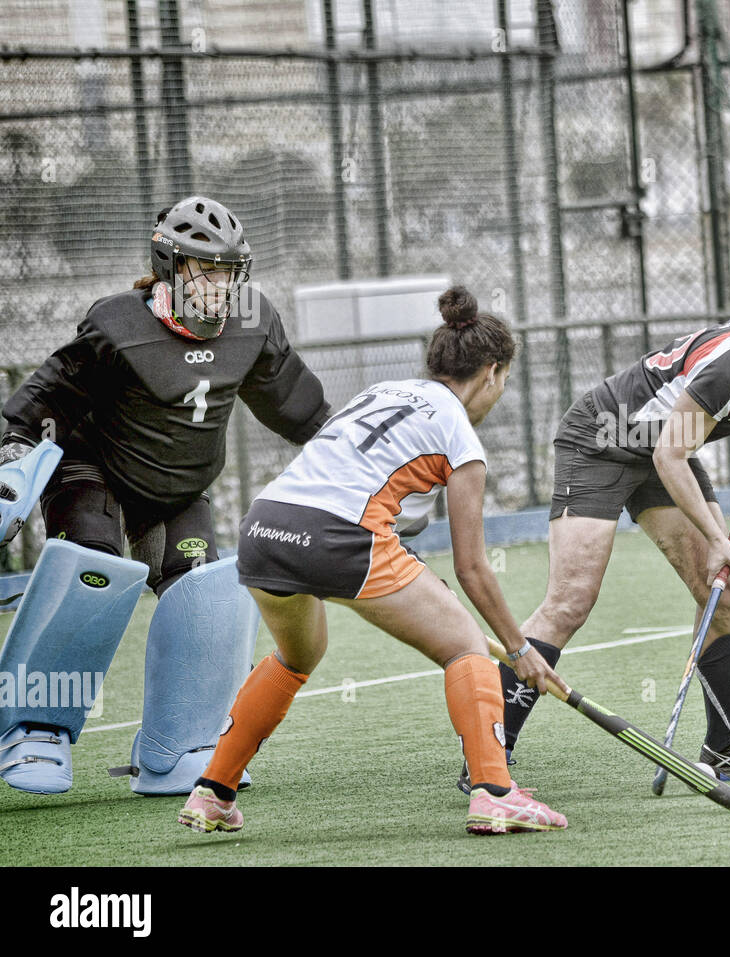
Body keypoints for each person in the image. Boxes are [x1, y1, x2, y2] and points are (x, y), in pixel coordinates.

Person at [470, 207, 730, 790]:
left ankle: (725, 749)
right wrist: (714, 536)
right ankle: (487, 752)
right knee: (571, 600)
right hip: (604, 441)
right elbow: (673, 454)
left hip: (662, 444)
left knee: (725, 590)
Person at [178, 286, 569, 836]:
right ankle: (494, 792)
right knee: (463, 643)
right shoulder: (459, 431)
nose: (499, 393)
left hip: (264, 526)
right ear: (492, 373)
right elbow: (473, 567)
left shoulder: (384, 391)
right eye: (503, 382)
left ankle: (213, 792)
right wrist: (519, 648)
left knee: (298, 654)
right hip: (337, 536)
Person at [0, 195, 330, 795]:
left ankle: (179, 745)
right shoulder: (116, 325)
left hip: (180, 488)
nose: (220, 285)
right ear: (171, 268)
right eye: (206, 269)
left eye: (229, 271)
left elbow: (301, 410)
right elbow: (40, 404)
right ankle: (34, 729)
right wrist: (13, 461)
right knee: (92, 573)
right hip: (93, 471)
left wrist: (361, 464)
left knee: (204, 592)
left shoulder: (253, 323)